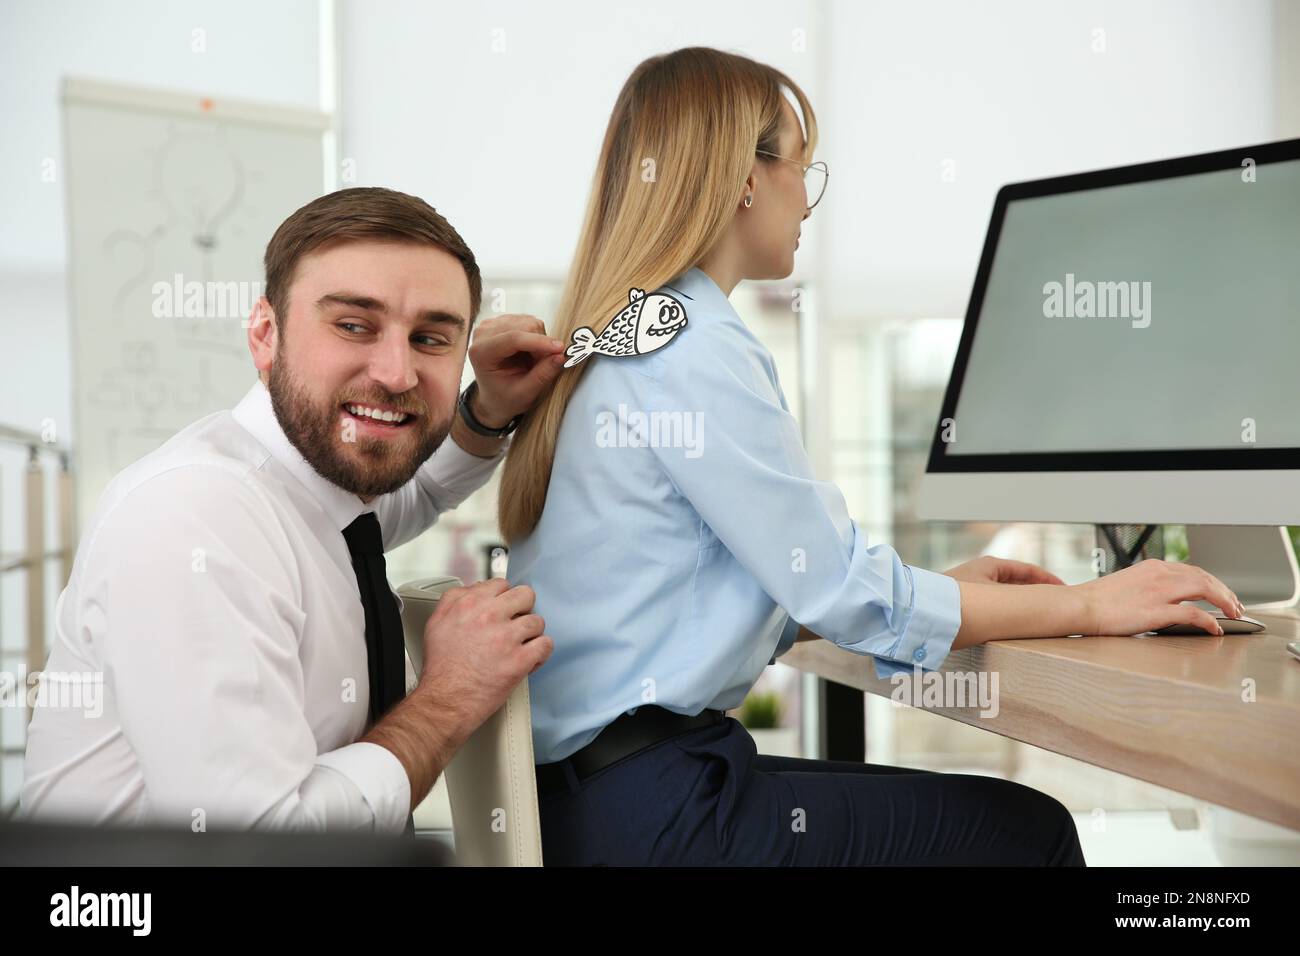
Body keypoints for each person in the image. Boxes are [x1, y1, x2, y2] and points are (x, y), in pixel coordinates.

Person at [499, 47, 1243, 866]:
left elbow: (698, 601)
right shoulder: (695, 344)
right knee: (1027, 838)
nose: (807, 202)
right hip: (664, 815)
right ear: (746, 177)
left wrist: (936, 591)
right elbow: (847, 589)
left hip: (604, 801)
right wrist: (1096, 605)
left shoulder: (629, 336)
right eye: (802, 170)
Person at [21, 187, 566, 832]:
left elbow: (410, 495)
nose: (397, 374)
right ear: (265, 335)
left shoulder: (314, 495)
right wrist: (450, 695)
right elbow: (261, 847)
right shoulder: (195, 516)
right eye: (354, 325)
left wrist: (487, 408)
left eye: (431, 338)